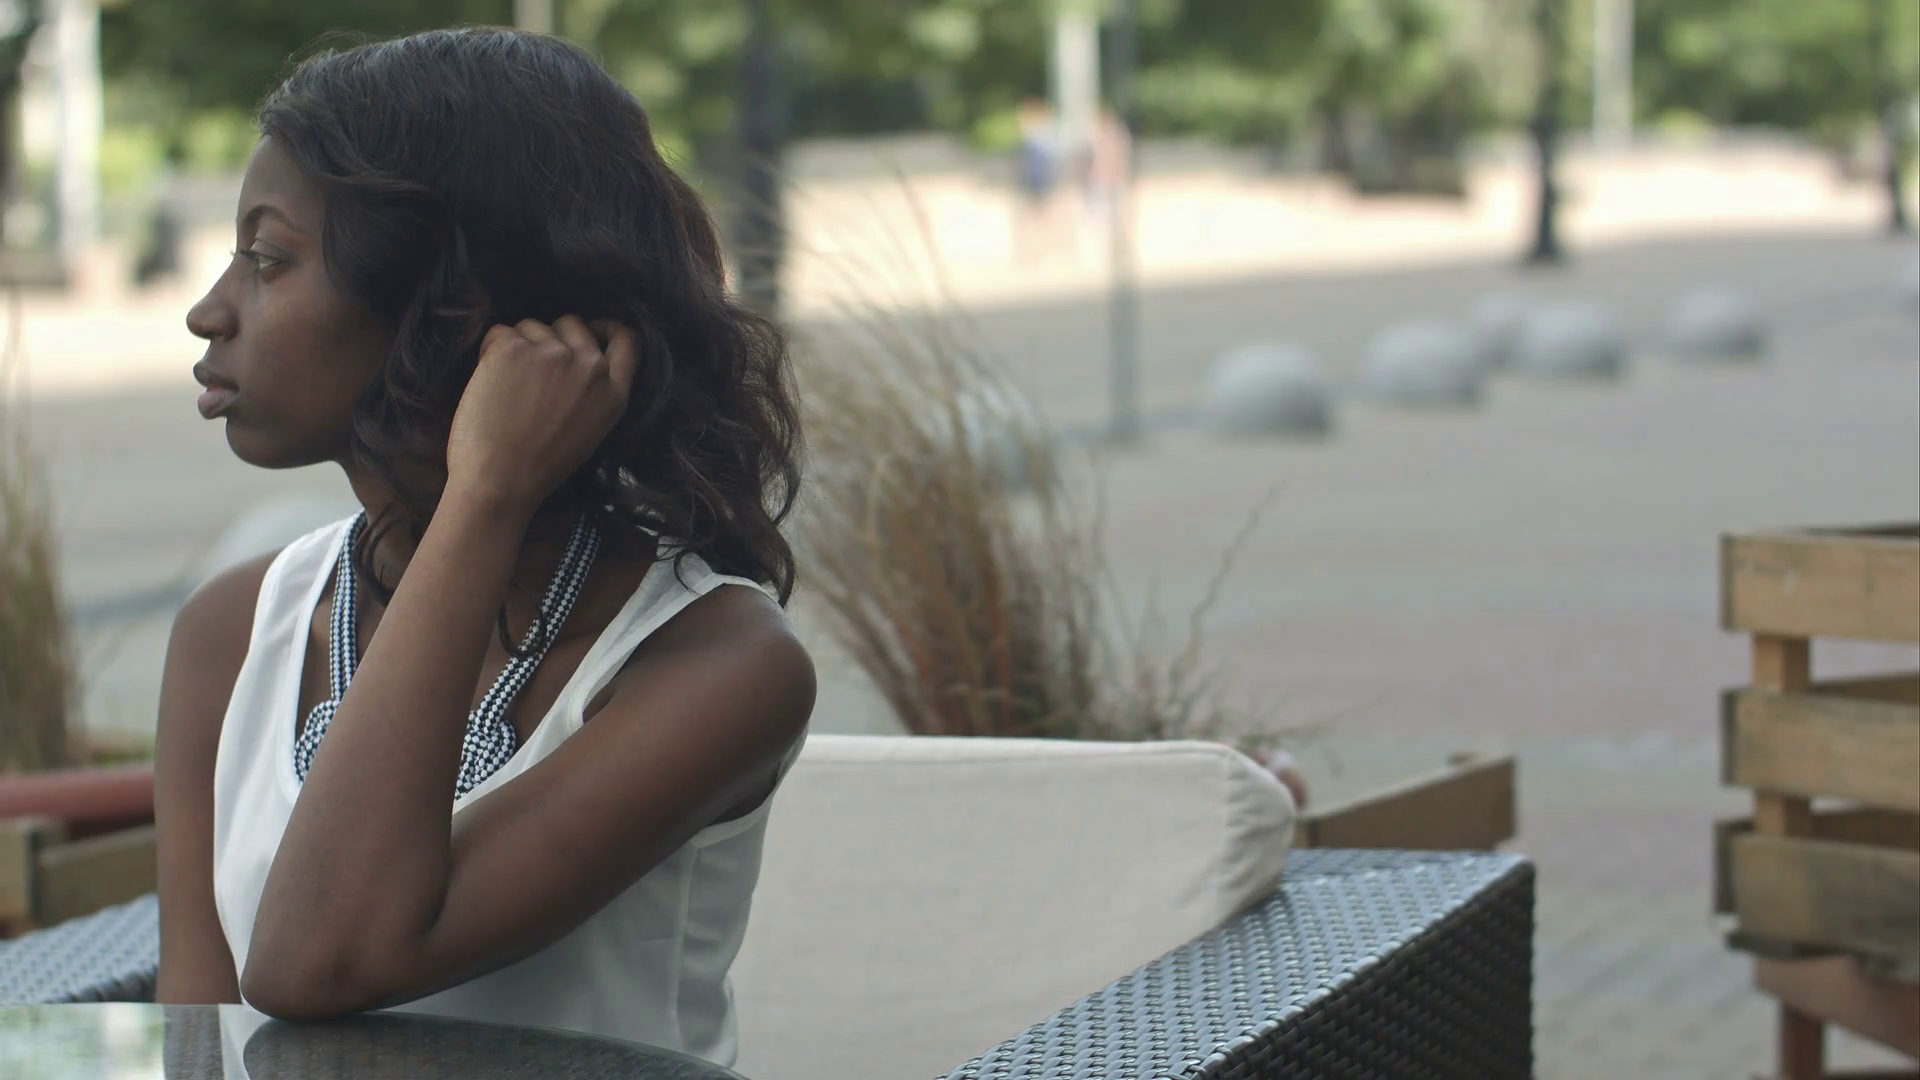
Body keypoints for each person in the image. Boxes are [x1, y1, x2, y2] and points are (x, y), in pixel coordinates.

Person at [157, 28, 815, 1070]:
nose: (209, 312)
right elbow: (196, 1049)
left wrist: (487, 495)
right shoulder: (230, 635)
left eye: (270, 259)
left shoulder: (717, 665)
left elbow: (318, 960)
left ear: (451, 307)